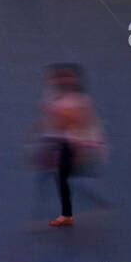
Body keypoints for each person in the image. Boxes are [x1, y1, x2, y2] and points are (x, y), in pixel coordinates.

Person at [32, 65, 106, 228]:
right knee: (61, 177)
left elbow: (74, 120)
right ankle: (67, 214)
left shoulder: (78, 100)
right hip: (64, 142)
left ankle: (69, 214)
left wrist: (53, 113)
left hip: (74, 143)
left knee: (63, 177)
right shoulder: (55, 97)